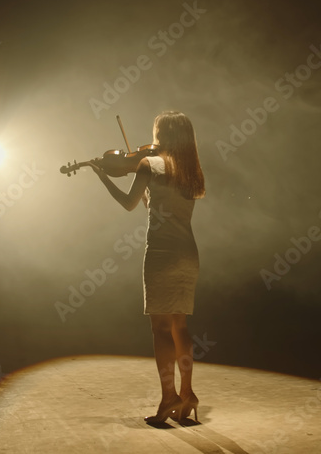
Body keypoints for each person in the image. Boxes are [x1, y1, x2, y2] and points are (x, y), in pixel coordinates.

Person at [90, 111, 206, 424]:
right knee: (180, 326)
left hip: (162, 254)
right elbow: (161, 205)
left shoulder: (147, 164)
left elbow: (129, 203)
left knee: (160, 329)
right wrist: (150, 198)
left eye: (155, 132)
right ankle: (188, 393)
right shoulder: (189, 171)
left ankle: (169, 397)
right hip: (188, 254)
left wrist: (102, 177)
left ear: (162, 135)